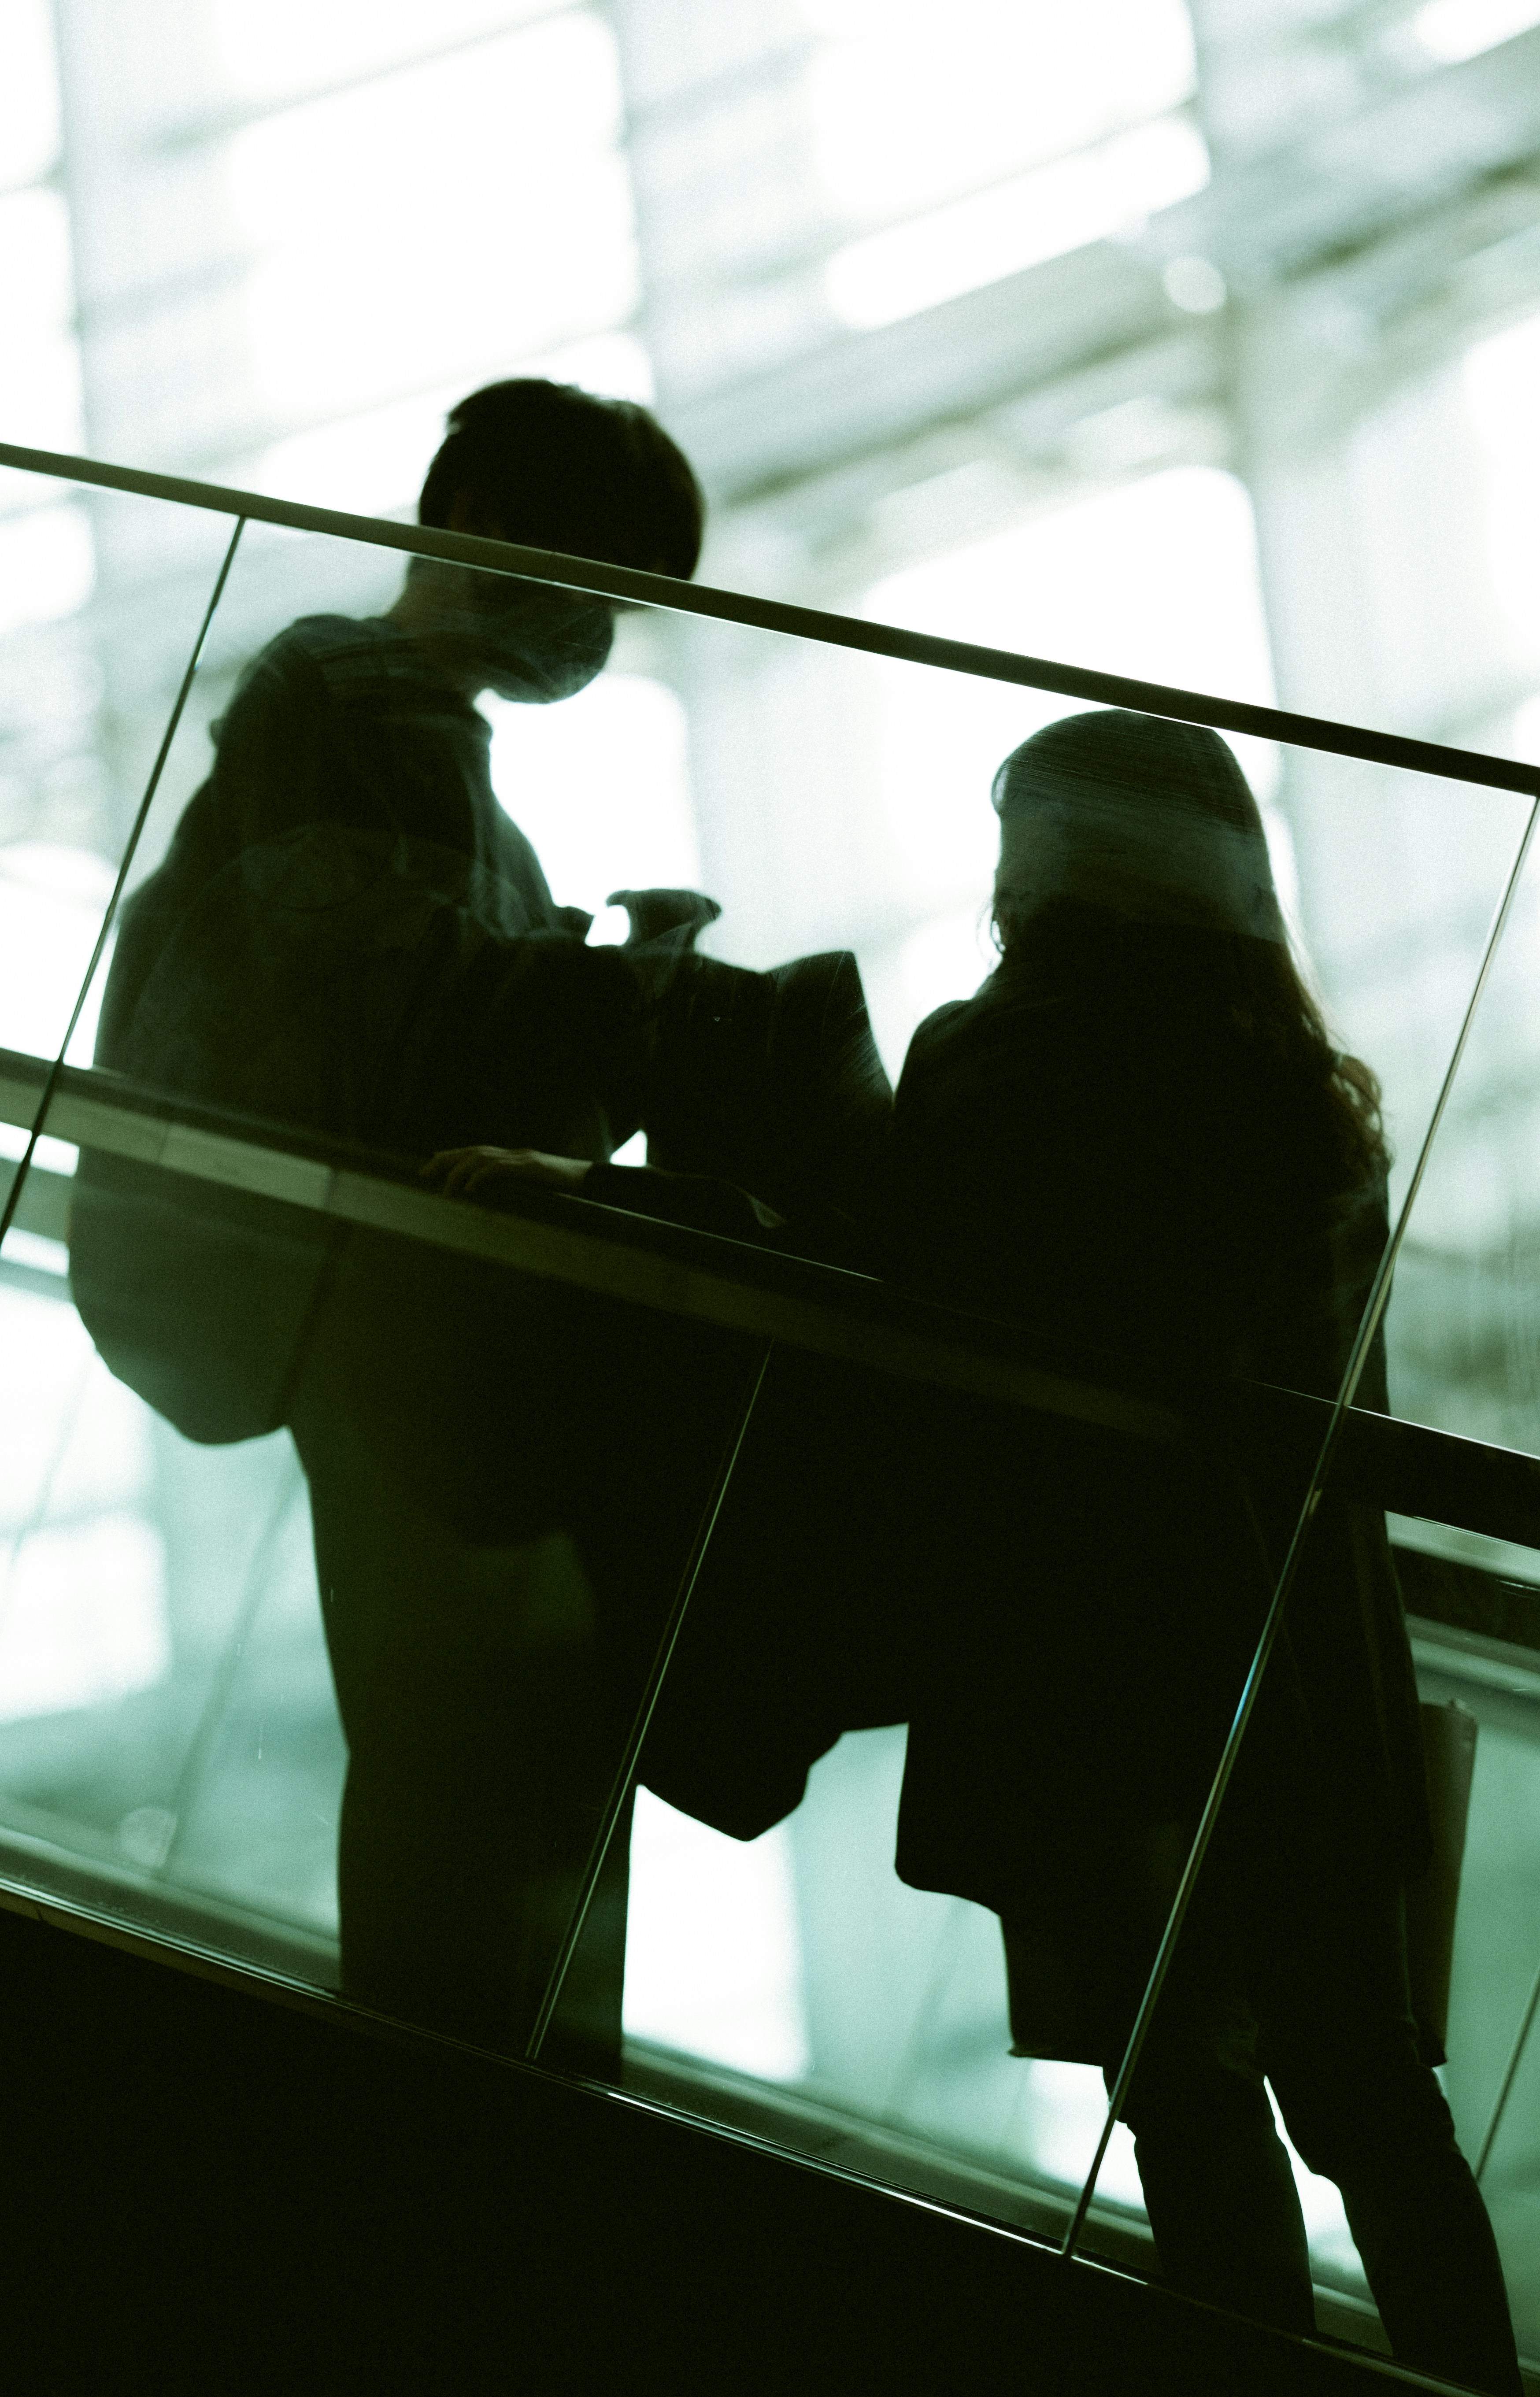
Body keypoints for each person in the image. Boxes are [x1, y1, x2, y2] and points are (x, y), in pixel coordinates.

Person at [444, 708, 1521, 2390]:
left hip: (1087, 1663)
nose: (1001, 862)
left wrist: (593, 1193)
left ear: (1079, 857)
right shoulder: (1309, 1099)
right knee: (1373, 2095)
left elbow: (892, 1304)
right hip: (1309, 1672)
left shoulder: (1010, 1060)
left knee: (1180, 2093)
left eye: (1020, 825)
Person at [73, 380, 759, 2068]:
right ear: (487, 538)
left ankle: (475, 2119)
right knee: (483, 1766)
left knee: (472, 1766)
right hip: (406, 1351)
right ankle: (483, 2130)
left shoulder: (410, 747)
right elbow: (399, 1020)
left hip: (390, 1337)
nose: (599, 632)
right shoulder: (353, 697)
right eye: (594, 585)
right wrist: (630, 993)